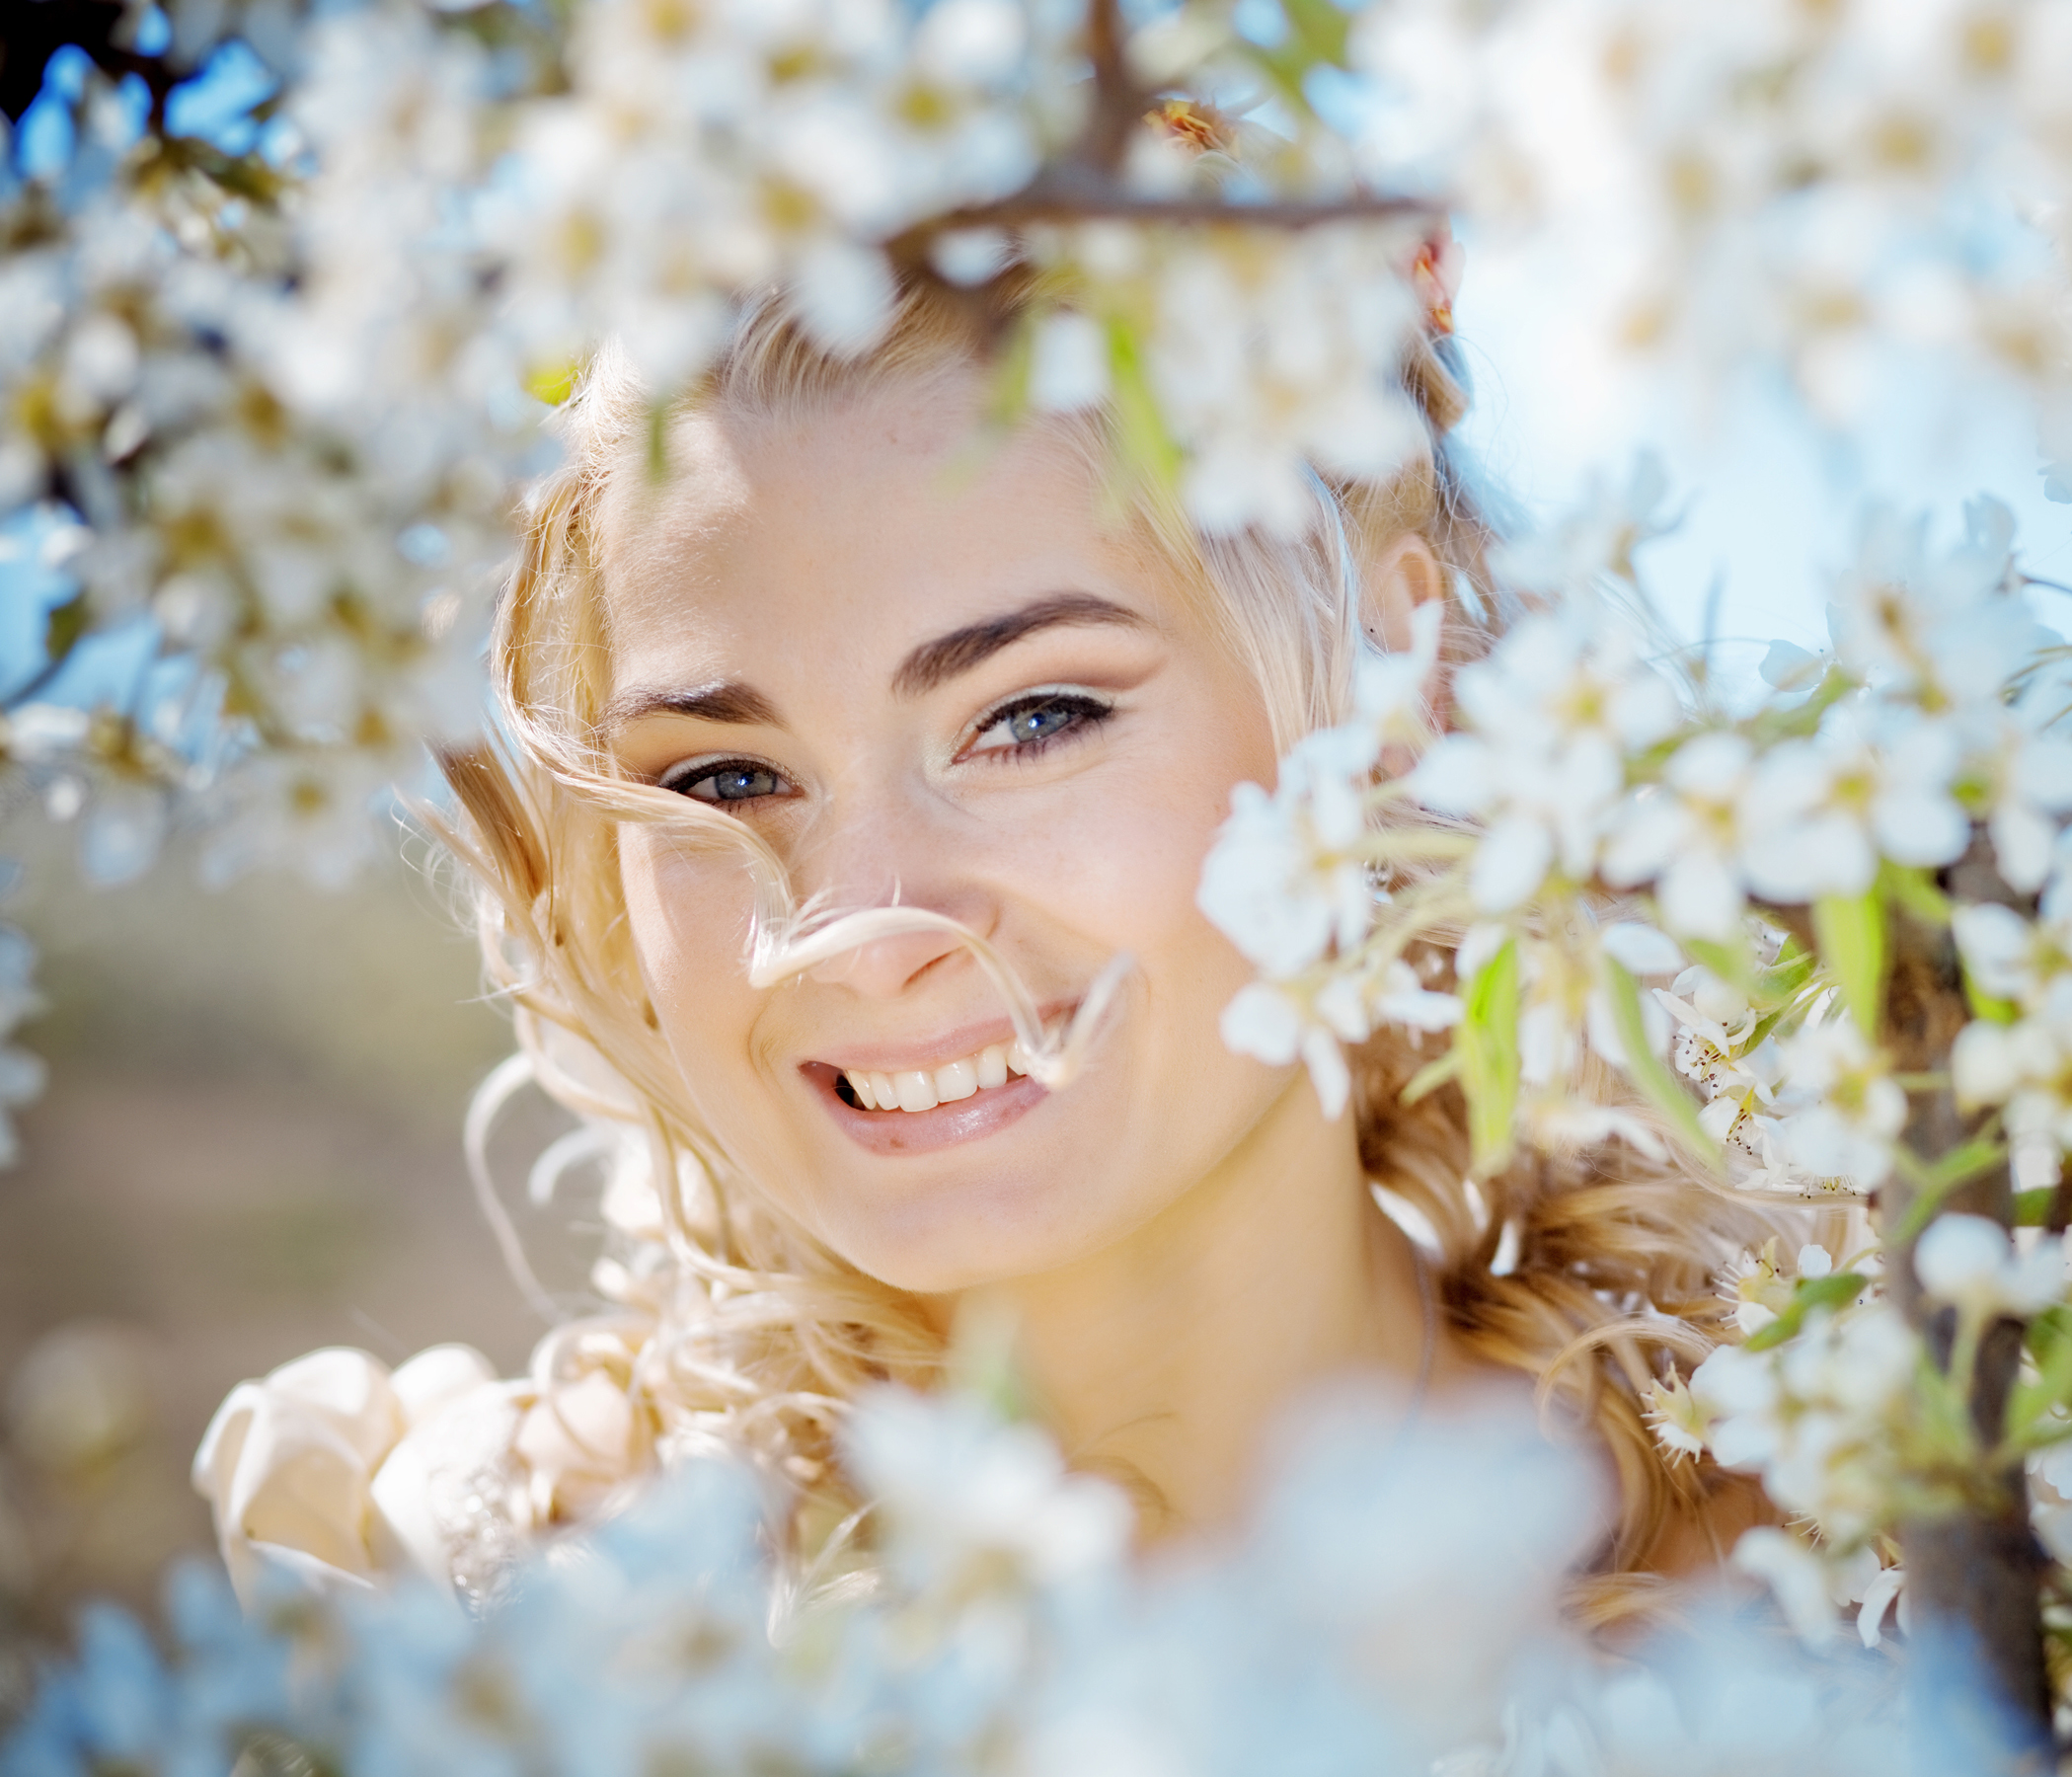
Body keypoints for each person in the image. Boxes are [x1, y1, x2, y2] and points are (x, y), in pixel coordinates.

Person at [194, 263, 1812, 1631]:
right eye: (724, 779)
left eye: (1030, 720)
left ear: (1393, 690)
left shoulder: (1866, 1559)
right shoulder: (511, 1608)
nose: (858, 930)